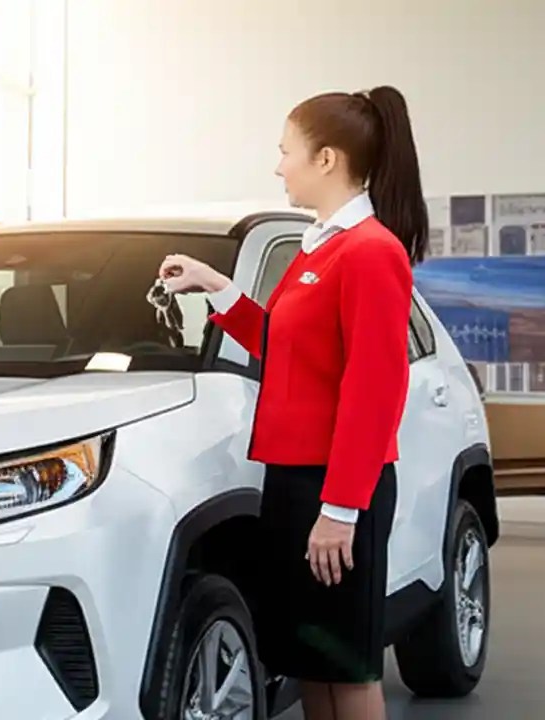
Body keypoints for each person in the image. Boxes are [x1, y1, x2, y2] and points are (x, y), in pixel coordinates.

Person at [158, 85, 426, 720]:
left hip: (337, 489)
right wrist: (216, 286)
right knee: (312, 663)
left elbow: (374, 388)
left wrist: (340, 510)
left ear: (326, 159)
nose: (279, 166)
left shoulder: (370, 252)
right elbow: (285, 346)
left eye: (286, 152)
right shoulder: (319, 247)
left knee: (348, 668)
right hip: (294, 480)